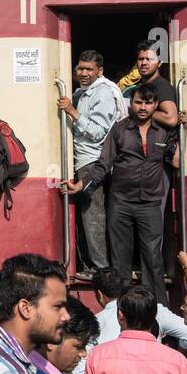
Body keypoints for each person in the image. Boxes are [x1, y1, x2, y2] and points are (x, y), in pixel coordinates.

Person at [62, 83, 179, 306]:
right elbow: (104, 164)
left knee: (153, 260)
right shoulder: (119, 130)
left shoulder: (164, 131)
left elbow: (175, 161)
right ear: (131, 104)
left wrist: (184, 129)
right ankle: (122, 311)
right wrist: (82, 183)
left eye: (148, 103)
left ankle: (156, 311)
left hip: (150, 202)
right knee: (120, 261)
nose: (143, 107)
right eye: (138, 102)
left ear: (155, 105)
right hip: (121, 202)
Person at [58, 50, 123, 273]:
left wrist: (72, 112)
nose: (83, 73)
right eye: (80, 68)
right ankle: (92, 264)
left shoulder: (103, 93)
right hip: (84, 159)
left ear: (100, 71)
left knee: (93, 216)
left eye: (89, 69)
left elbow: (97, 132)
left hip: (94, 161)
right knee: (89, 215)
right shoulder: (83, 92)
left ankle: (101, 268)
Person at [120, 40, 180, 130]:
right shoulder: (142, 85)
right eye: (141, 59)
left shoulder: (161, 86)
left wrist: (136, 110)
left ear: (159, 63)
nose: (144, 63)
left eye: (150, 59)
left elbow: (171, 119)